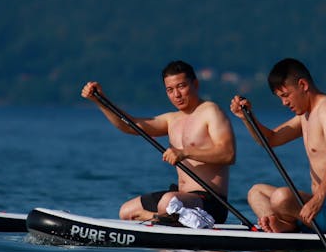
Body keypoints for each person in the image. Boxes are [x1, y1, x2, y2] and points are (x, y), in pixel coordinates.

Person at [82, 60, 236, 223]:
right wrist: (100, 100)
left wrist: (185, 152)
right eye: (170, 90)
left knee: (168, 202)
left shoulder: (211, 111)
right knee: (127, 212)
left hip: (210, 203)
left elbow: (228, 154)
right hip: (180, 198)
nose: (176, 94)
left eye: (181, 86)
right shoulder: (171, 120)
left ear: (195, 84)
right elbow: (131, 126)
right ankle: (164, 218)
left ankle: (159, 218)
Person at [230, 58, 326, 233]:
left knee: (282, 197)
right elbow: (270, 140)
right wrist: (246, 118)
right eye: (280, 98)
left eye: (286, 95)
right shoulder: (305, 116)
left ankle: (287, 225)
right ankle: (285, 226)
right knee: (256, 193)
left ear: (303, 85)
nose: (284, 103)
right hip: (316, 210)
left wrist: (319, 198)